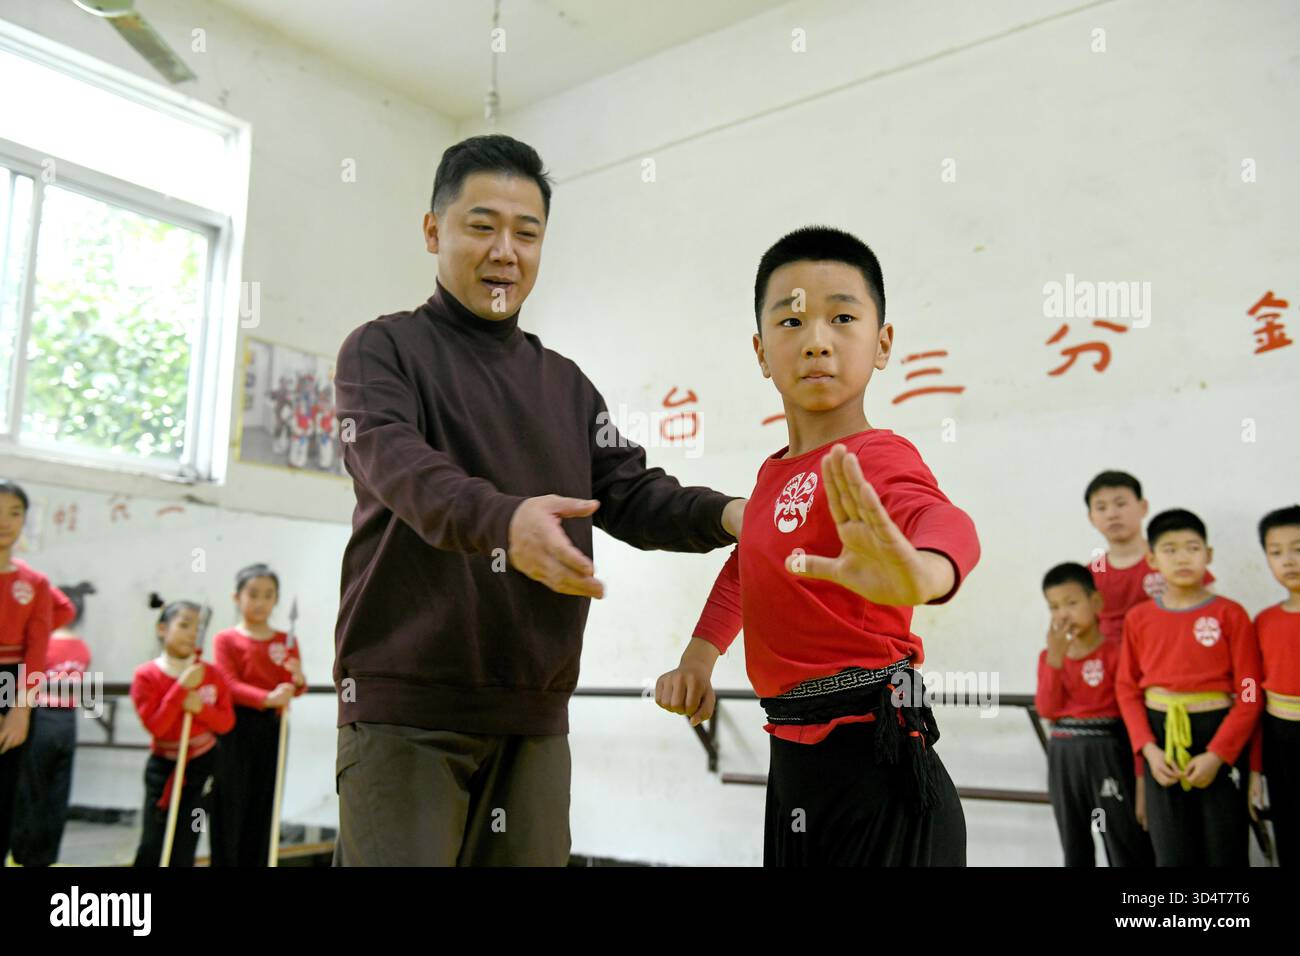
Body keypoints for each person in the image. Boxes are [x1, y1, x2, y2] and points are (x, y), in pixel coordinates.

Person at [332, 134, 745, 866]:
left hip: (535, 719)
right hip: (406, 713)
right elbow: (396, 464)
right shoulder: (380, 351)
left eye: (527, 233)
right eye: (481, 225)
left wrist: (729, 515)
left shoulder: (568, 384)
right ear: (433, 231)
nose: (505, 251)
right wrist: (505, 521)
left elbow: (633, 493)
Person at [656, 226, 980, 865]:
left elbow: (942, 519)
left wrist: (926, 571)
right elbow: (748, 566)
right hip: (796, 766)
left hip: (878, 765)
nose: (817, 341)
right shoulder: (771, 475)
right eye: (793, 320)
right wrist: (698, 659)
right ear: (760, 350)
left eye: (842, 317)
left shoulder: (877, 456)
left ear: (882, 343)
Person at [1116, 509, 1261, 866]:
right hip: (1160, 740)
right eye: (1170, 549)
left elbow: (1249, 693)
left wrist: (1218, 755)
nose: (1182, 557)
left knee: (1224, 849)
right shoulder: (1139, 618)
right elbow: (1126, 689)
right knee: (1171, 852)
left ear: (1208, 555)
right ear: (1152, 559)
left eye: (1192, 548)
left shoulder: (1232, 614)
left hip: (1218, 738)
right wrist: (1148, 750)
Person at [1036, 562, 1152, 866]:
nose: (1063, 614)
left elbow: (1130, 712)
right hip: (1063, 753)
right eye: (1054, 607)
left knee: (1122, 838)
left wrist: (1141, 775)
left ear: (1096, 602)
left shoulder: (1117, 651)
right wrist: (1056, 661)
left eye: (1072, 603)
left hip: (1107, 750)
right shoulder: (1049, 657)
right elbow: (1047, 710)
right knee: (1074, 842)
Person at [212, 563, 305, 866]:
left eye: (268, 595)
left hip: (275, 725)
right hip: (235, 726)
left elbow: (294, 686)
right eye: (253, 594)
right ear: (236, 597)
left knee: (266, 799)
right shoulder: (226, 639)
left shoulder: (285, 641)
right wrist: (266, 697)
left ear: (277, 599)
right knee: (230, 801)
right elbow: (227, 684)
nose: (260, 602)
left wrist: (298, 679)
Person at [131, 599, 233, 867]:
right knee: (153, 842)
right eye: (184, 624)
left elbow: (226, 723)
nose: (191, 633)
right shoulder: (146, 675)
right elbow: (157, 727)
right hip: (163, 766)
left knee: (186, 841)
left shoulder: (211, 674)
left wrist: (201, 709)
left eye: (197, 627)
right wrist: (180, 690)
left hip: (203, 766)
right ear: (162, 628)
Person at [1248, 505, 1300, 865]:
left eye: (1298, 549)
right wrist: (1254, 767)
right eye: (1276, 552)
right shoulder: (1263, 622)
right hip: (1280, 740)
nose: (1288, 561)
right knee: (1291, 832)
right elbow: (1253, 697)